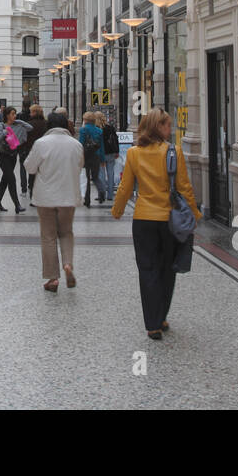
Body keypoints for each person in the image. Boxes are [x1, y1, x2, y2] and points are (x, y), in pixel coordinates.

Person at [110, 108, 202, 340]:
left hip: (143, 219)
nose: (170, 130)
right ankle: (160, 316)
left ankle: (152, 323)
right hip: (168, 220)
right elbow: (183, 187)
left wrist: (117, 210)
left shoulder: (133, 153)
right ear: (157, 127)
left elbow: (125, 186)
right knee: (167, 269)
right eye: (167, 125)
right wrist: (194, 215)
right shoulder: (174, 152)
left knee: (147, 269)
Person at [23, 111, 83, 292]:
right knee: (66, 233)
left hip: (46, 197)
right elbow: (80, 166)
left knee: (48, 236)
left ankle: (53, 278)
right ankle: (67, 264)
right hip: (68, 196)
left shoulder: (41, 143)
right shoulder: (76, 144)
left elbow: (30, 167)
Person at [0, 107, 28, 213]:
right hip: (3, 157)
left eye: (15, 114)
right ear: (7, 115)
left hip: (13, 157)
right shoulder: (1, 126)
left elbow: (30, 128)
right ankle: (17, 205)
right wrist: (4, 133)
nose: (14, 116)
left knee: (5, 181)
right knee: (12, 179)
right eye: (12, 114)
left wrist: (19, 121)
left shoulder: (17, 125)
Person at [20, 104, 48, 201]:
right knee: (40, 172)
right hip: (44, 151)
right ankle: (39, 193)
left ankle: (29, 192)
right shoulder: (46, 123)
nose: (30, 113)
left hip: (30, 150)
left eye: (31, 111)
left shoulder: (29, 124)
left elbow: (24, 138)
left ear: (34, 112)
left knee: (29, 171)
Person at [79, 111, 104, 207]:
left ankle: (87, 199)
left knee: (86, 178)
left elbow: (81, 144)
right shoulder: (99, 131)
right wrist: (102, 159)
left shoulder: (83, 130)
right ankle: (101, 191)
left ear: (85, 120)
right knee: (95, 176)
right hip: (96, 156)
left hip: (86, 155)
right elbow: (102, 146)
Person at [98, 111, 120, 202]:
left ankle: (102, 194)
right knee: (111, 174)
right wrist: (117, 151)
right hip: (111, 153)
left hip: (101, 154)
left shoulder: (97, 129)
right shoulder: (110, 128)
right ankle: (110, 195)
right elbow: (115, 139)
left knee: (101, 174)